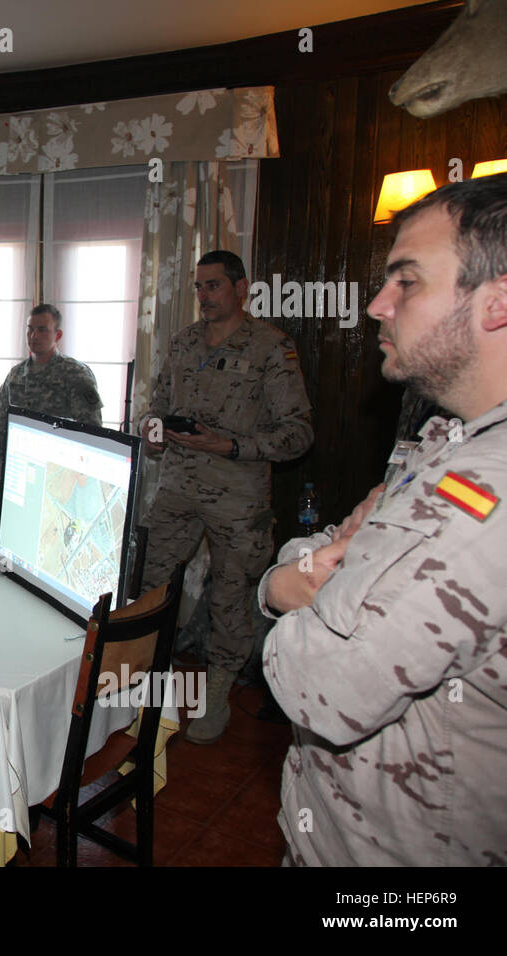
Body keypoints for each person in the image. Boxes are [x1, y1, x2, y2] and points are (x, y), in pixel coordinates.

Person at [260, 173, 507, 866]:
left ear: (497, 303)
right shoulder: (446, 438)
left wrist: (279, 590)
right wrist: (307, 579)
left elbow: (321, 687)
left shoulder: (483, 492)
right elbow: (340, 543)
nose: (376, 305)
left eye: (407, 282)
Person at [138, 250, 313, 744]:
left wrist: (231, 445)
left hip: (238, 496)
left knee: (230, 597)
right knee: (152, 588)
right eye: (197, 287)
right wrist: (151, 432)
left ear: (242, 289)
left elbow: (298, 435)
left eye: (213, 286)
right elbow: (155, 407)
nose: (203, 296)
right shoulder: (184, 341)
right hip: (177, 487)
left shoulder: (271, 348)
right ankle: (151, 684)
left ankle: (216, 696)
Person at [0, 304, 103, 471]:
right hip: (15, 470)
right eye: (30, 329)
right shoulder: (15, 376)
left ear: (57, 335)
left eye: (42, 330)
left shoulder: (76, 375)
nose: (34, 336)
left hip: (56, 472)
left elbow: (92, 435)